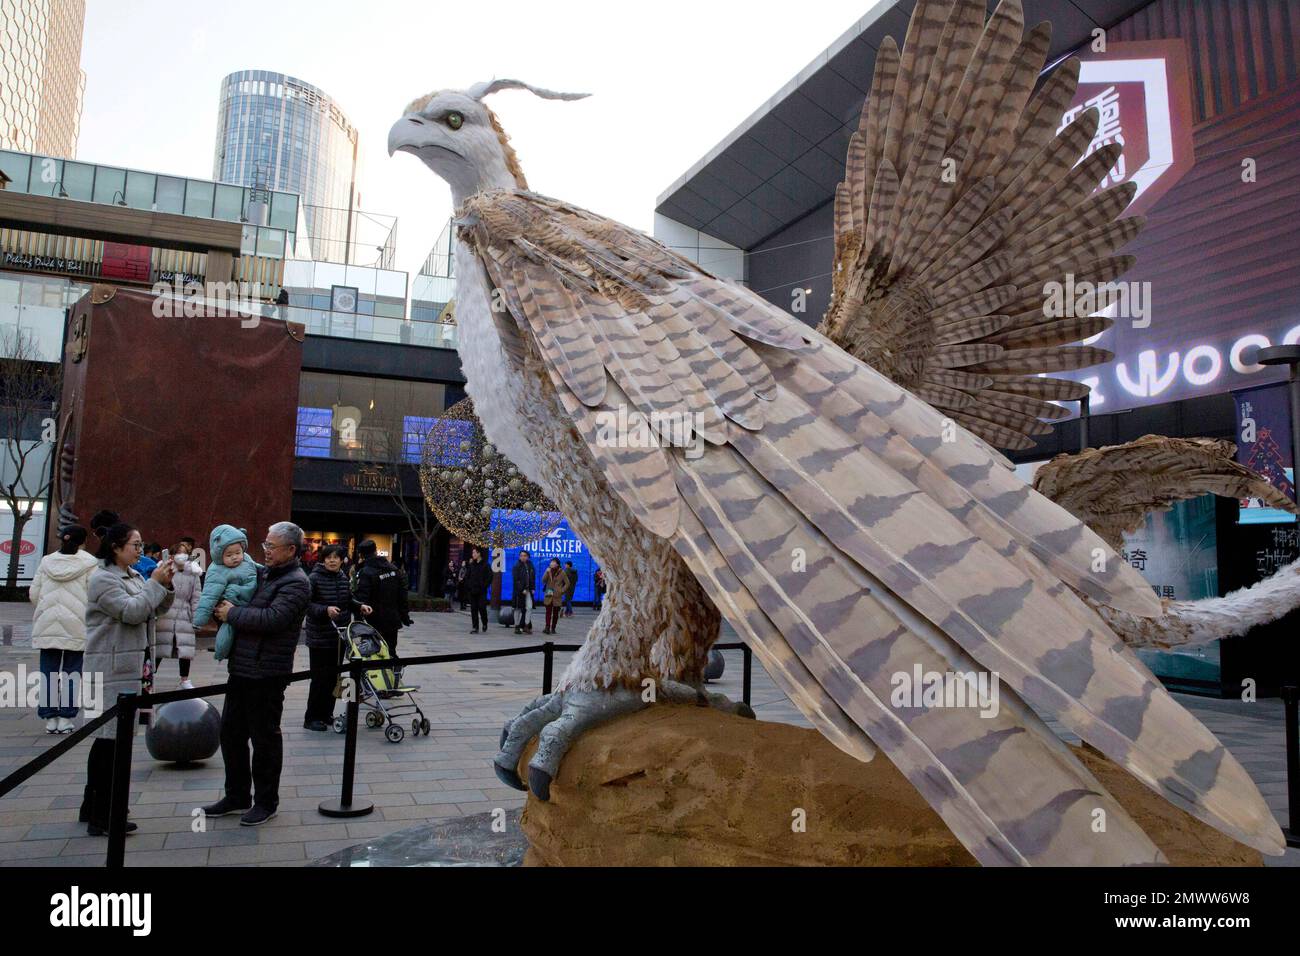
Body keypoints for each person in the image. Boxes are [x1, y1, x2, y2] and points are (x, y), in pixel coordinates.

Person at [202, 521, 310, 827]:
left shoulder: (297, 582)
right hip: (243, 668)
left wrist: (231, 613)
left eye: (270, 547)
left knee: (264, 739)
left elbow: (274, 619)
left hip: (268, 673)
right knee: (231, 734)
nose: (265, 551)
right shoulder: (262, 574)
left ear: (290, 550)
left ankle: (266, 801)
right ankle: (236, 795)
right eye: (264, 545)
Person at [82, 514, 175, 836]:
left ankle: (96, 805)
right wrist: (154, 584)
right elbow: (133, 611)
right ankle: (103, 814)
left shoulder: (133, 574)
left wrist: (166, 585)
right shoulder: (102, 579)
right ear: (115, 547)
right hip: (110, 668)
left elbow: (154, 609)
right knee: (109, 742)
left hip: (134, 666)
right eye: (135, 545)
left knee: (113, 742)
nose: (140, 550)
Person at [29, 526, 98, 733]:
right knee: (72, 671)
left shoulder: (46, 561)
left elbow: (34, 593)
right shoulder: (89, 564)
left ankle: (50, 718)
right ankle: (66, 718)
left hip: (47, 624)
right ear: (83, 541)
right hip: (77, 624)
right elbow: (94, 594)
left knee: (48, 672)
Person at [303, 544, 371, 731]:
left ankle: (327, 714)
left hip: (340, 636)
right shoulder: (314, 578)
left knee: (336, 678)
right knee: (319, 679)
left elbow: (347, 600)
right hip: (319, 636)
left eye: (335, 557)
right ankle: (311, 718)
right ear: (322, 560)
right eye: (328, 557)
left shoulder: (342, 577)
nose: (331, 560)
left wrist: (360, 606)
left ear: (343, 560)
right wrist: (325, 610)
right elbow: (306, 604)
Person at [193, 525, 260, 661]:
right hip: (233, 602)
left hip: (252, 601)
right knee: (227, 632)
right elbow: (208, 596)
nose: (235, 557)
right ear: (219, 554)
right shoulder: (217, 570)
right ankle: (221, 652)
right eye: (229, 555)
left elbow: (259, 568)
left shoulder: (246, 559)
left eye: (238, 552)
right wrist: (199, 620)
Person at [152, 542, 201, 689]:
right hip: (164, 615)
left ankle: (184, 679)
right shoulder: (163, 570)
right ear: (172, 555)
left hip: (184, 614)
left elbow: (196, 596)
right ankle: (150, 676)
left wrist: (197, 617)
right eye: (179, 552)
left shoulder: (193, 572)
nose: (182, 555)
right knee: (159, 647)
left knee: (185, 649)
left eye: (185, 552)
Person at [354, 540, 413, 659]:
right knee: (390, 652)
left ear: (361, 555)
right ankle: (392, 676)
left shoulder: (365, 572)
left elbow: (362, 599)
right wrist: (404, 616)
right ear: (376, 551)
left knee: (372, 654)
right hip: (392, 620)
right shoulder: (393, 569)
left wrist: (358, 621)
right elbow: (402, 595)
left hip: (373, 621)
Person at [464, 547, 490, 634]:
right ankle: (475, 627)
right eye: (473, 553)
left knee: (482, 608)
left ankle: (485, 622)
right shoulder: (472, 565)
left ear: (479, 554)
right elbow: (467, 576)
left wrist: (484, 586)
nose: (473, 555)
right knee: (473, 609)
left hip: (482, 591)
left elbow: (490, 577)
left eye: (474, 553)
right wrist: (469, 585)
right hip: (472, 591)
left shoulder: (486, 565)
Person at [511, 550, 536, 635]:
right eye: (521, 555)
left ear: (528, 556)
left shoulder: (530, 565)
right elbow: (516, 580)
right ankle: (517, 626)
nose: (523, 557)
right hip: (519, 591)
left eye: (525, 555)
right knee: (517, 608)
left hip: (528, 590)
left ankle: (526, 625)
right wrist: (522, 589)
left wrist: (533, 588)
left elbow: (533, 578)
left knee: (529, 607)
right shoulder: (516, 566)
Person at [541, 558, 566, 635]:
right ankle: (547, 627)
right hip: (549, 593)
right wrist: (546, 572)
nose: (551, 563)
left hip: (557, 595)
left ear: (557, 564)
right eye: (551, 562)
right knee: (548, 611)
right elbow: (543, 581)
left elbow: (567, 583)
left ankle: (553, 628)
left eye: (553, 562)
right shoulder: (548, 571)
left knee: (555, 613)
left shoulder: (562, 572)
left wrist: (562, 590)